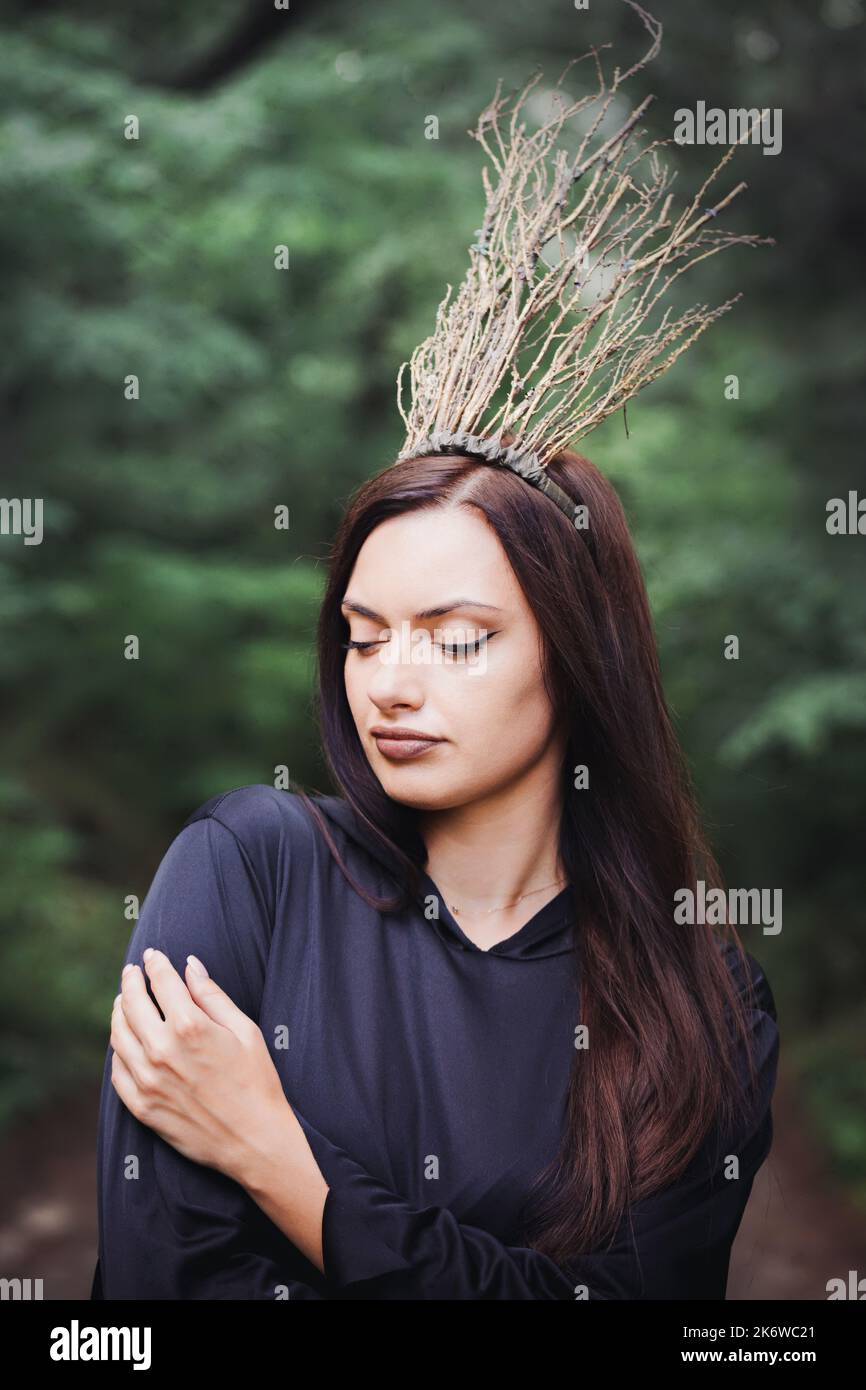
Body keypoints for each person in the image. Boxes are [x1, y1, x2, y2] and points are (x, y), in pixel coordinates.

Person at [92, 12, 780, 1299]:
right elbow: (151, 1301)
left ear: (575, 659)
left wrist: (277, 1160)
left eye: (456, 639)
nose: (390, 681)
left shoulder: (701, 1003)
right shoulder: (250, 875)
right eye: (362, 636)